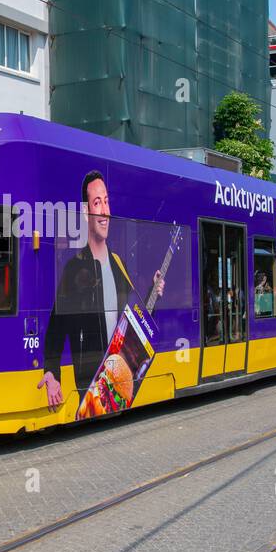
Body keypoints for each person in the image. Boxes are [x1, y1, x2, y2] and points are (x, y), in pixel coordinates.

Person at [38, 171, 164, 410]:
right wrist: (52, 374)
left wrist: (152, 293)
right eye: (97, 203)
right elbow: (56, 328)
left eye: (106, 201)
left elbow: (135, 319)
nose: (105, 210)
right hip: (91, 389)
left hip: (118, 382)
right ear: (86, 212)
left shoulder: (118, 264)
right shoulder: (74, 269)